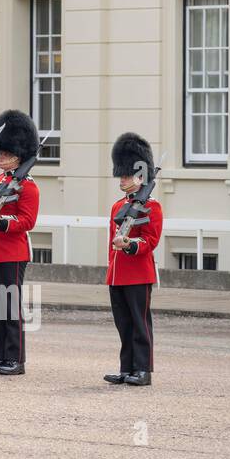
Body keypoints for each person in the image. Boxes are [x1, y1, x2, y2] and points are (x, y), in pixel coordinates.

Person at [0, 109, 41, 375]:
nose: (2, 159)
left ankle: (16, 358)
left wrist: (3, 223)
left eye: (6, 155)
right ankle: (1, 357)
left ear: (19, 156)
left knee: (9, 305)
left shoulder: (28, 186)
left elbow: (27, 221)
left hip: (13, 252)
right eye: (1, 154)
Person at [104, 132, 163, 387]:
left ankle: (143, 369)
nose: (123, 178)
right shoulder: (118, 207)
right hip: (118, 274)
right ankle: (127, 367)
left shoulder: (152, 207)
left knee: (140, 324)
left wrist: (129, 244)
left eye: (127, 174)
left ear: (141, 176)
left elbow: (150, 241)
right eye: (122, 174)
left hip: (138, 273)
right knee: (123, 324)